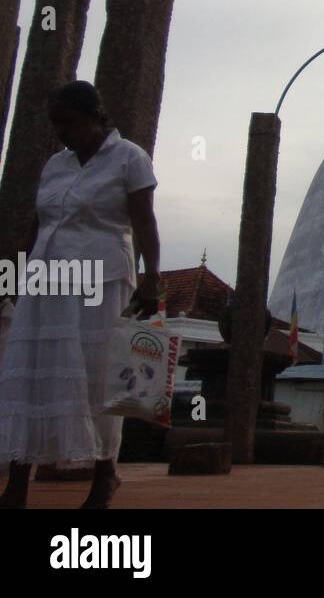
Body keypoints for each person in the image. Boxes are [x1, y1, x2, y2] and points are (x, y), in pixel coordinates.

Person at [0, 81, 162, 510]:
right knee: (31, 370)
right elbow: (40, 222)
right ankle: (18, 479)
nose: (61, 132)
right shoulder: (56, 164)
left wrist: (153, 276)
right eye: (55, 124)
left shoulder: (130, 157)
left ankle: (105, 475)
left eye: (68, 123)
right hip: (45, 277)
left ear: (94, 117)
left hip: (100, 277)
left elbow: (144, 220)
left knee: (94, 376)